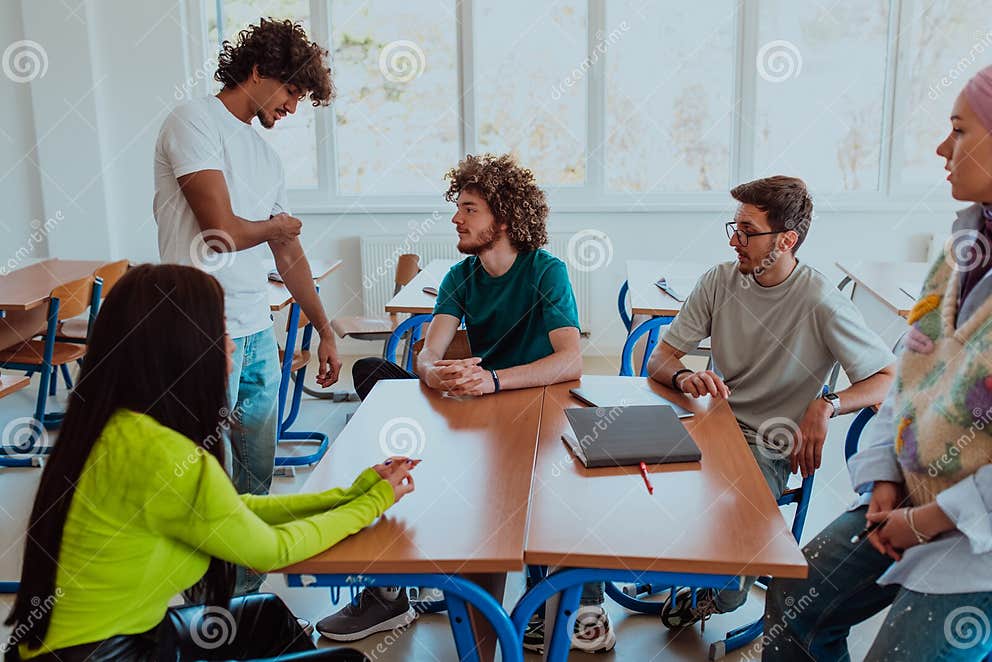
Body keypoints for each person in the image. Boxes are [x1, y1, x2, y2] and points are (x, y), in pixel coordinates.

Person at [3, 264, 414, 661]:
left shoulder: (119, 424)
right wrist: (372, 503)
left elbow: (234, 511)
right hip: (106, 652)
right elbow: (271, 550)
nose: (232, 342)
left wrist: (349, 495)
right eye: (220, 328)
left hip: (94, 642)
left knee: (269, 615)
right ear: (180, 344)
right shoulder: (159, 452)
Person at [317, 153, 605, 654]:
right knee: (382, 392)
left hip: (541, 412)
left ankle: (585, 600)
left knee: (556, 498)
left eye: (469, 209)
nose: (456, 218)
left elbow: (570, 362)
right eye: (460, 208)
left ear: (505, 219)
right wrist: (436, 371)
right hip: (484, 414)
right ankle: (396, 588)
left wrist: (491, 380)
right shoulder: (460, 276)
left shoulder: (546, 271)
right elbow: (427, 353)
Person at [762, 65, 992, 662]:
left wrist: (927, 522)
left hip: (977, 538)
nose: (943, 148)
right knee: (795, 598)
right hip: (912, 492)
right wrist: (886, 478)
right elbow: (908, 380)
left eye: (960, 132)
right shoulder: (962, 248)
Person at [647, 175, 896, 627]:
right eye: (733, 228)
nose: (735, 241)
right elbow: (659, 359)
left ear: (786, 240)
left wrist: (827, 405)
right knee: (616, 471)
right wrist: (685, 376)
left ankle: (718, 594)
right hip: (710, 421)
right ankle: (636, 571)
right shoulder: (719, 281)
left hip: (767, 443)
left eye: (747, 231)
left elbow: (888, 377)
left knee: (735, 530)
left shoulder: (821, 301)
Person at [153, 18, 343, 594]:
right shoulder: (192, 121)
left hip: (255, 330)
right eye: (290, 92)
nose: (292, 107)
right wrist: (277, 227)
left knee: (255, 480)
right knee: (206, 482)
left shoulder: (267, 159)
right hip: (197, 332)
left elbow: (288, 253)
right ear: (259, 72)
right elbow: (221, 232)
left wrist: (324, 328)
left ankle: (240, 605)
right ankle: (200, 606)